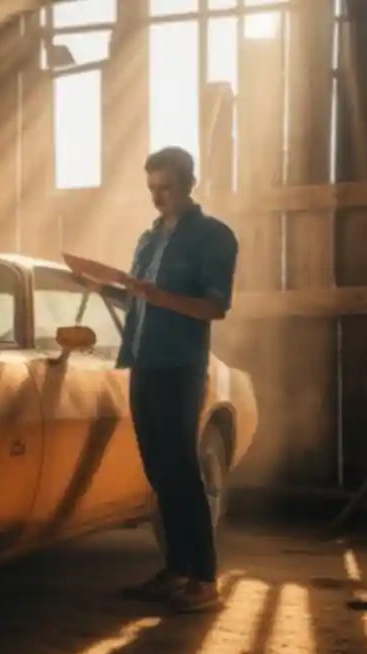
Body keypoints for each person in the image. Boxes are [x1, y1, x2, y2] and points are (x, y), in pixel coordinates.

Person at [110, 146, 239, 613]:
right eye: (151, 189)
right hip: (143, 362)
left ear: (188, 183)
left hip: (181, 365)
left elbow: (214, 307)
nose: (158, 198)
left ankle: (204, 579)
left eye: (165, 188)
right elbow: (140, 302)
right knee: (159, 471)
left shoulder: (213, 237)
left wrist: (156, 294)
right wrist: (111, 287)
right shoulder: (148, 240)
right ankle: (177, 569)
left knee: (182, 471)